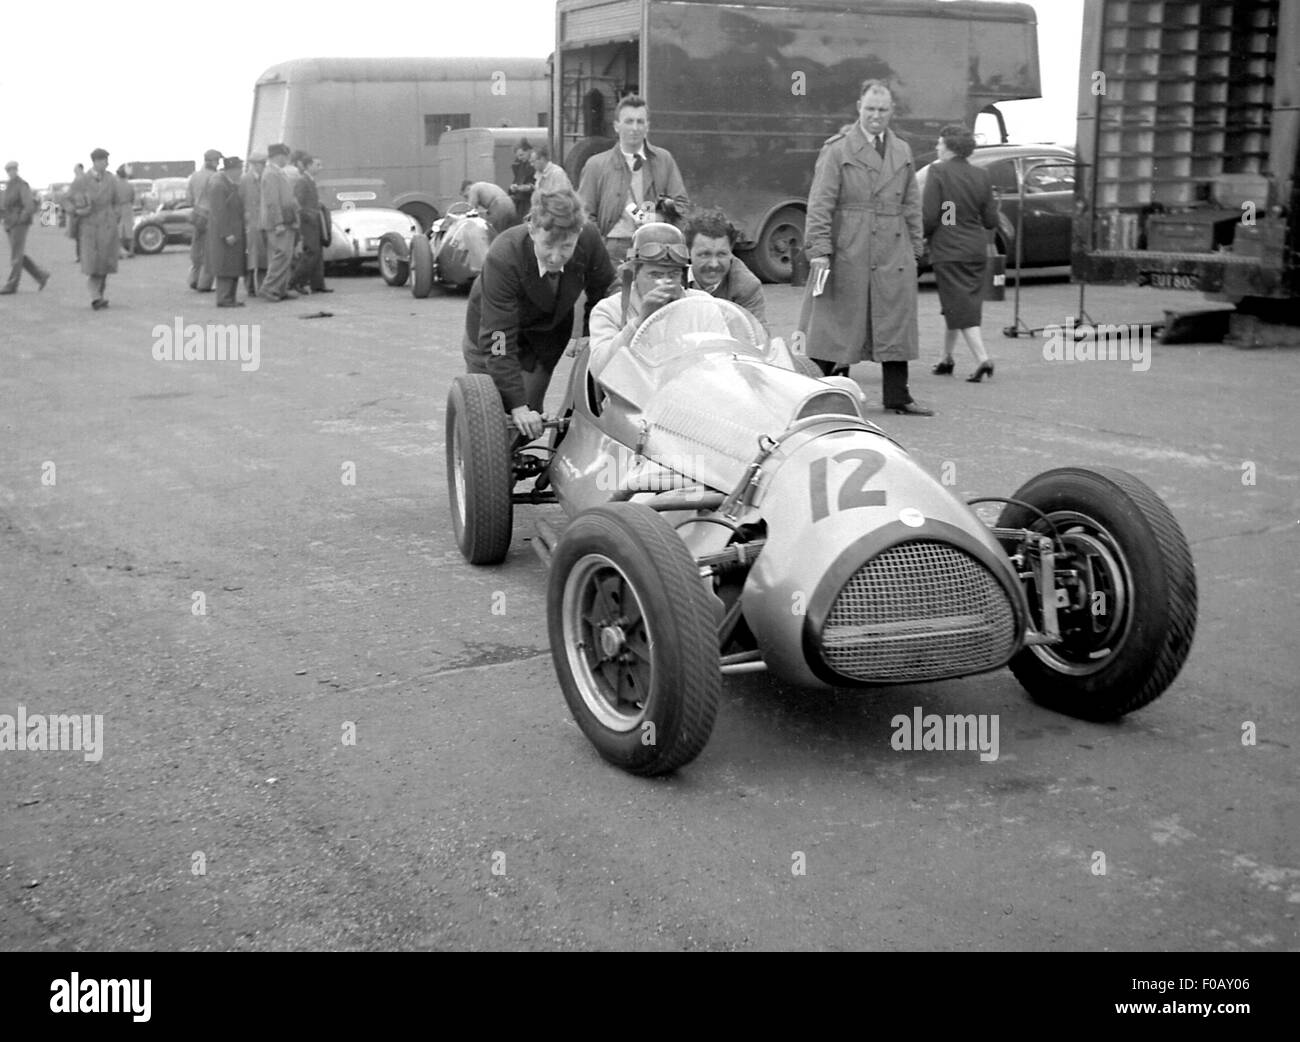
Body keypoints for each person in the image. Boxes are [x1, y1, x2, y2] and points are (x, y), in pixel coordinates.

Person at [797, 80, 932, 415]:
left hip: (893, 249)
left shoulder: (902, 150)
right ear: (859, 107)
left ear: (891, 112)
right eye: (870, 109)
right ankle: (821, 391)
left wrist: (916, 248)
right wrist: (820, 250)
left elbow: (912, 204)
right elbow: (820, 203)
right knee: (839, 320)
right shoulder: (838, 149)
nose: (876, 116)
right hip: (850, 247)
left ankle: (898, 395)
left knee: (895, 319)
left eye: (883, 110)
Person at [462, 188, 616, 439]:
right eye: (548, 245)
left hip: (545, 334)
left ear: (578, 233)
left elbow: (604, 288)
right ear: (532, 229)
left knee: (526, 427)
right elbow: (498, 339)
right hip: (491, 334)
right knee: (492, 422)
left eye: (566, 246)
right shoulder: (504, 256)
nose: (556, 256)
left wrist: (591, 332)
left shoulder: (588, 237)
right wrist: (517, 407)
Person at [923, 124, 999, 383]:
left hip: (948, 249)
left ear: (950, 147)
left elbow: (933, 215)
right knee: (957, 304)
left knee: (960, 307)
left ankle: (982, 360)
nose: (936, 147)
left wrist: (924, 234)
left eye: (940, 143)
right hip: (976, 249)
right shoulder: (982, 175)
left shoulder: (938, 172)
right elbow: (990, 220)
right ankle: (946, 358)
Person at [588, 222, 710, 379]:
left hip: (692, 395)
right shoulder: (609, 309)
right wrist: (639, 322)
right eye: (655, 275)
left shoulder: (703, 305)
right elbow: (600, 369)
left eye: (673, 275)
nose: (665, 282)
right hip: (628, 399)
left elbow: (723, 360)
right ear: (634, 273)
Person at [578, 94, 689, 267]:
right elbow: (584, 215)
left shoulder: (664, 160)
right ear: (616, 126)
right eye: (629, 121)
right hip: (613, 250)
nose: (635, 128)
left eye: (640, 122)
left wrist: (659, 217)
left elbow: (682, 205)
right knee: (621, 293)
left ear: (647, 126)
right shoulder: (596, 165)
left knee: (652, 293)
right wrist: (600, 249)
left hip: (654, 248)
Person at [682, 207, 767, 331]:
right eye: (705, 254)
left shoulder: (747, 287)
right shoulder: (672, 277)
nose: (714, 264)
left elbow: (758, 338)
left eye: (721, 254)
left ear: (731, 251)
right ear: (688, 252)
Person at [69, 148, 121, 309]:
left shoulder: (112, 179)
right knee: (93, 264)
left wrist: (114, 216)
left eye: (107, 160)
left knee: (104, 263)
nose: (107, 163)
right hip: (89, 226)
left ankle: (100, 296)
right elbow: (66, 200)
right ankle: (95, 297)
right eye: (104, 160)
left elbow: (117, 201)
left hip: (107, 225)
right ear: (96, 161)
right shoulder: (81, 180)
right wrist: (77, 211)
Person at [1, 161, 50, 294]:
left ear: (17, 170)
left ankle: (12, 284)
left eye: (13, 169)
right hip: (9, 223)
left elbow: (28, 205)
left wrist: (19, 219)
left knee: (16, 256)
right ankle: (41, 275)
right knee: (18, 254)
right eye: (9, 170)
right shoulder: (8, 186)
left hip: (18, 224)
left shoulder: (22, 185)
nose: (11, 172)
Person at [259, 143, 298, 302]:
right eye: (285, 156)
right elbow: (272, 201)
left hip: (286, 219)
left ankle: (280, 289)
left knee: (285, 255)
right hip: (279, 222)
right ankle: (269, 288)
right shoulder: (271, 174)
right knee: (281, 255)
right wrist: (278, 222)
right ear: (279, 155)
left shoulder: (276, 172)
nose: (286, 160)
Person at [207, 156, 247, 308]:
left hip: (234, 231)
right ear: (233, 170)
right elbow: (219, 212)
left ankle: (230, 297)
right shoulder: (219, 186)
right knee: (225, 265)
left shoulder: (229, 184)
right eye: (240, 169)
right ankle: (224, 298)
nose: (241, 172)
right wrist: (226, 233)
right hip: (226, 233)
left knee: (233, 265)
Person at [290, 152, 331, 295]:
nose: (321, 167)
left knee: (317, 253)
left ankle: (318, 284)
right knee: (311, 252)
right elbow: (297, 203)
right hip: (308, 222)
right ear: (308, 166)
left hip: (314, 221)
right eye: (317, 165)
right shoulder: (303, 181)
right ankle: (295, 282)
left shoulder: (310, 180)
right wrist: (307, 215)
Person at [186, 148, 222, 290]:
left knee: (196, 249)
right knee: (210, 251)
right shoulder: (215, 177)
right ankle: (204, 283)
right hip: (210, 216)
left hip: (196, 214)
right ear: (212, 161)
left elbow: (188, 198)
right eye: (217, 160)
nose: (218, 163)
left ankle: (193, 280)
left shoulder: (194, 176)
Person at [240, 151, 268, 296]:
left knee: (263, 258)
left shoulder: (266, 178)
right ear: (253, 164)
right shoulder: (244, 180)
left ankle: (263, 286)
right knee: (251, 257)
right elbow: (240, 201)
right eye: (260, 164)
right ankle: (250, 287)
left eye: (263, 163)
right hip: (250, 224)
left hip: (263, 223)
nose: (263, 166)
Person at [508, 138, 535, 222]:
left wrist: (529, 187)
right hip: (521, 203)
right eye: (518, 156)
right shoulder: (520, 165)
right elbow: (516, 180)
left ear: (529, 151)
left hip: (531, 202)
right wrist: (512, 188)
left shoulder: (535, 165)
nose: (520, 158)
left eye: (521, 155)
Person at [114, 165, 135, 257]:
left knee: (119, 230)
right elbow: (132, 197)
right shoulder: (129, 185)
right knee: (129, 229)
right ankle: (131, 250)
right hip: (128, 207)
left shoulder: (115, 186)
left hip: (118, 207)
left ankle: (120, 251)